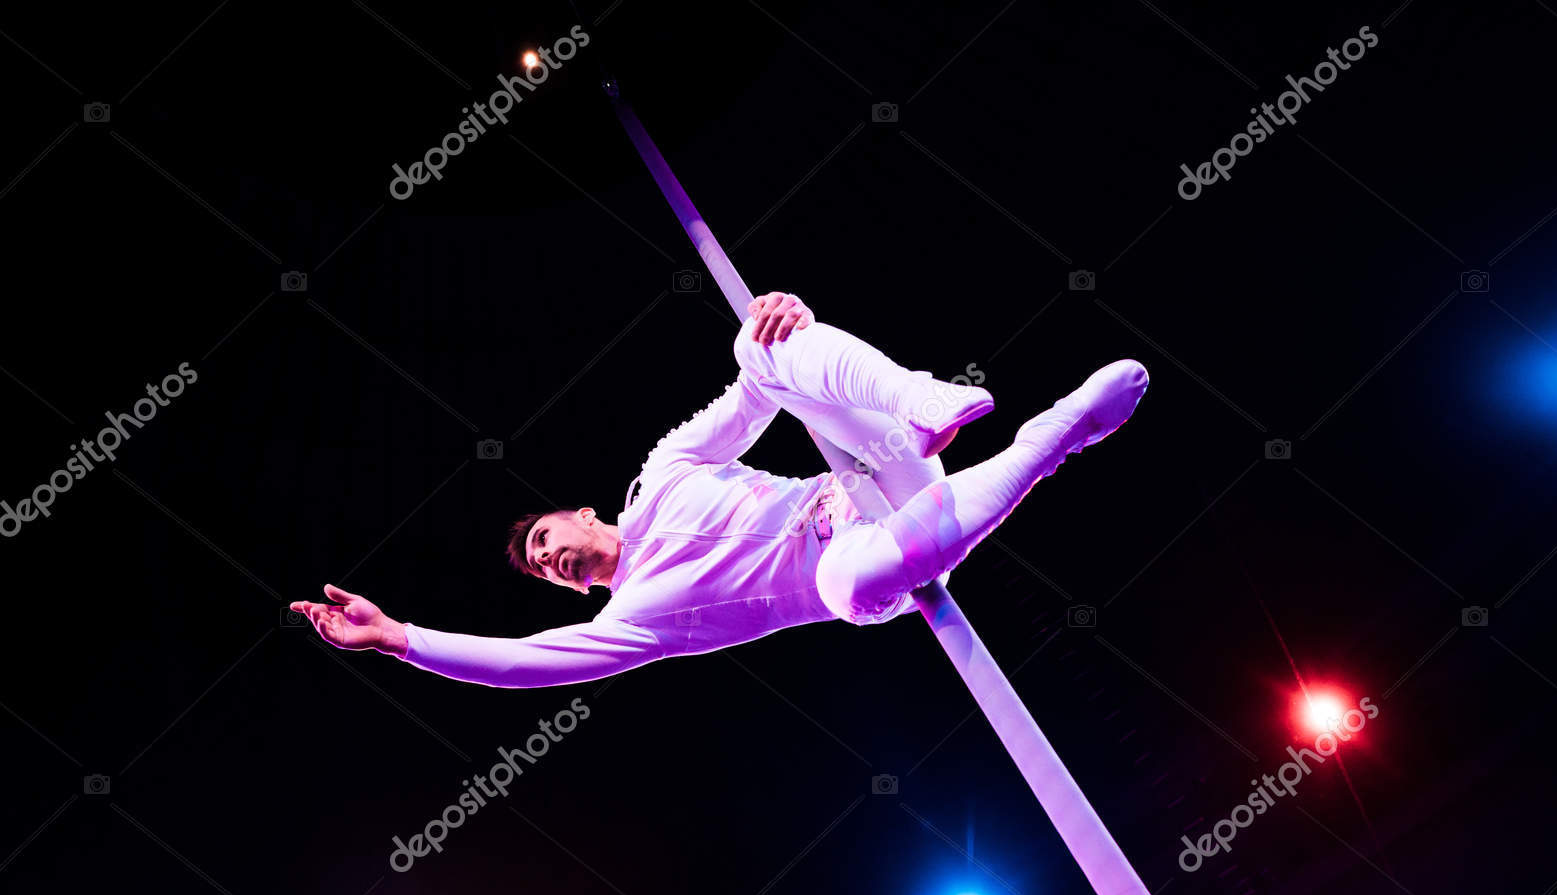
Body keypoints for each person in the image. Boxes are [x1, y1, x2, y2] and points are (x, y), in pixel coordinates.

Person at [291, 292, 1147, 687]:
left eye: (545, 538)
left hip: (872, 473)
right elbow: (518, 663)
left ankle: (924, 399)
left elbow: (756, 394)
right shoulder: (630, 621)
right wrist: (399, 636)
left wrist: (777, 313)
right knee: (853, 588)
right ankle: (1054, 436)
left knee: (756, 347)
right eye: (541, 569)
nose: (548, 560)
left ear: (586, 511)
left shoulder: (663, 471)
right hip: (865, 560)